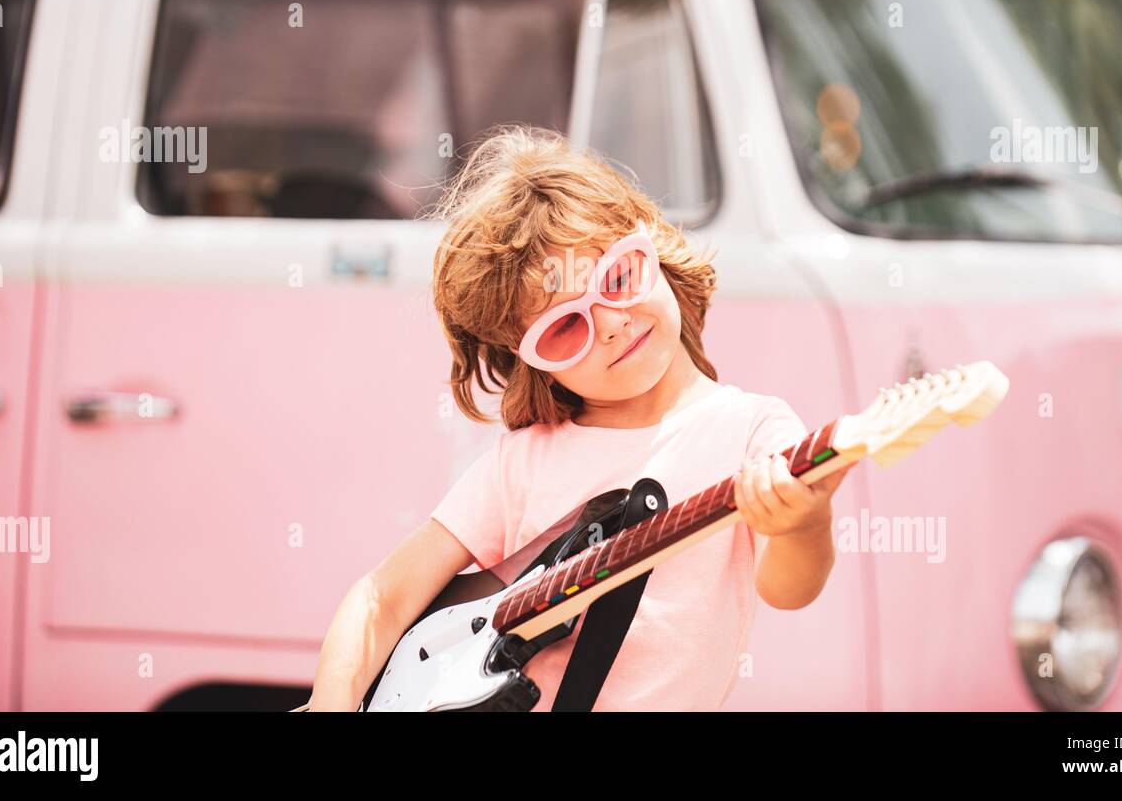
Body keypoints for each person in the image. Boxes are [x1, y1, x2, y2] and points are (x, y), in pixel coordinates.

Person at [307, 124, 851, 711]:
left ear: (653, 247)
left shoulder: (754, 431)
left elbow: (788, 588)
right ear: (532, 363)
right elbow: (379, 601)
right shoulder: (525, 460)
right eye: (567, 326)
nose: (612, 323)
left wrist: (804, 521)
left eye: (619, 277)